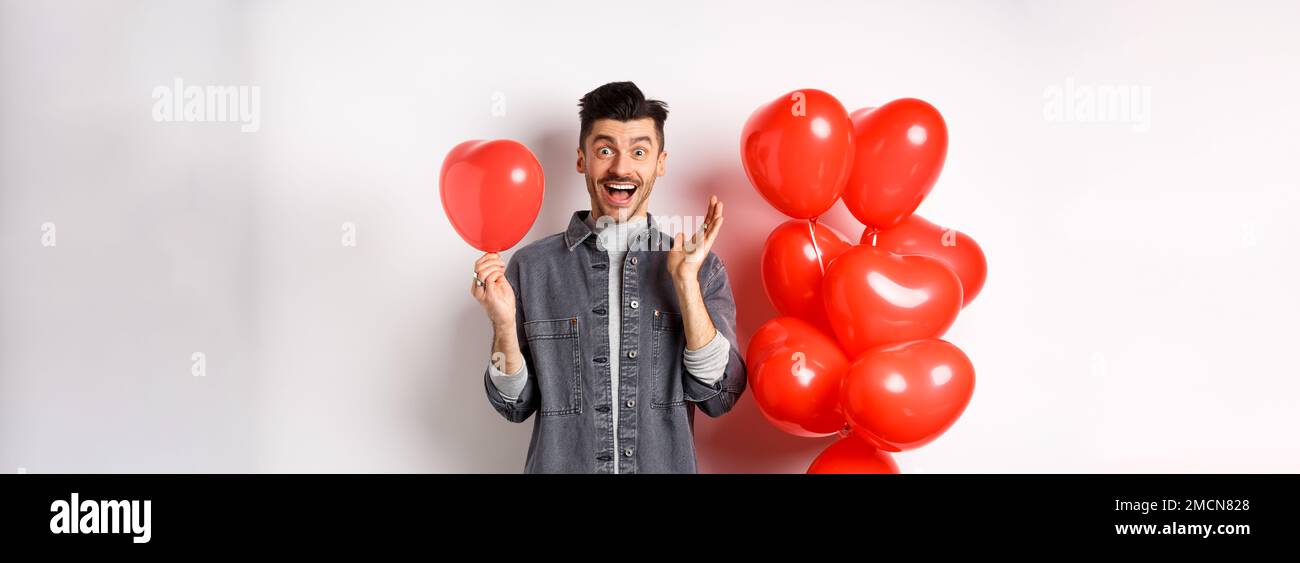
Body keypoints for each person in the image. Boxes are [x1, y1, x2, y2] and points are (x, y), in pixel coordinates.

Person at [469, 81, 746, 473]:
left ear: (660, 163)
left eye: (638, 152)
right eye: (605, 151)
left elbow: (719, 396)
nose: (620, 168)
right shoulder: (530, 268)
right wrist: (501, 324)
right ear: (582, 159)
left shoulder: (702, 269)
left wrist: (685, 285)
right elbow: (514, 404)